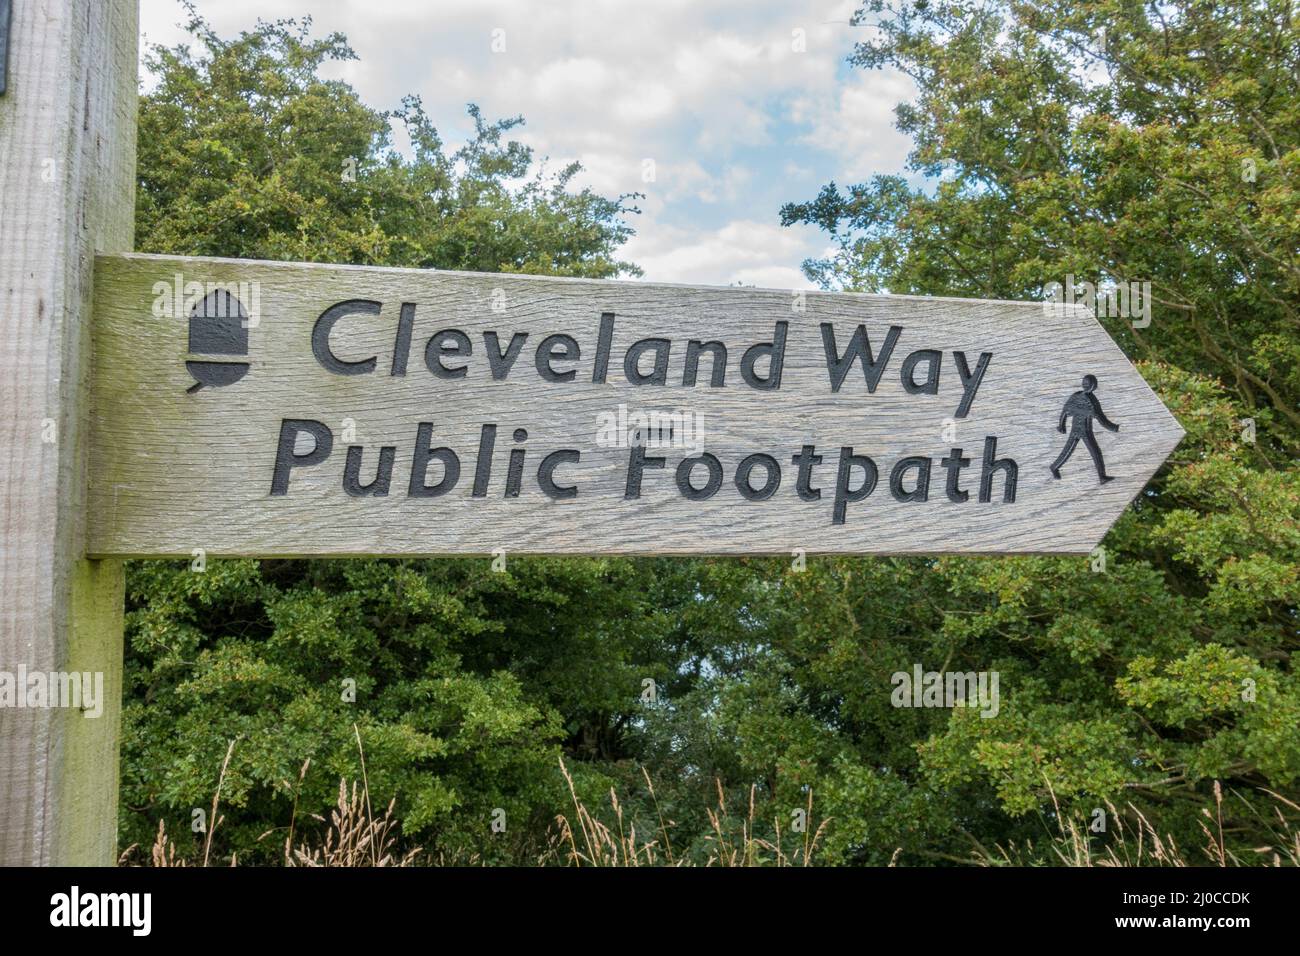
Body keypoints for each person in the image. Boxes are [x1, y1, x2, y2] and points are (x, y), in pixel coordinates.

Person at [1050, 374, 1119, 483]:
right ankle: (1101, 477)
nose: (1087, 385)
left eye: (1087, 383)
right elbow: (1100, 418)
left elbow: (1066, 411)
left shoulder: (1079, 396)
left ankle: (1054, 467)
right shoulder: (1084, 399)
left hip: (1082, 430)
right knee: (1094, 452)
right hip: (1080, 430)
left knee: (1070, 451)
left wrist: (1062, 425)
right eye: (1086, 383)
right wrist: (1114, 428)